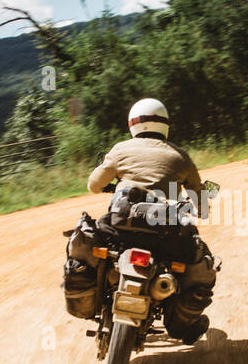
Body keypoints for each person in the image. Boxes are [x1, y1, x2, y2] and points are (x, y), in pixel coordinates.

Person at [82, 98, 217, 344]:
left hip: (121, 226)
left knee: (90, 239)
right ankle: (182, 322)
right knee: (199, 264)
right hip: (164, 233)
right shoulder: (181, 157)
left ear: (132, 124)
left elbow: (93, 185)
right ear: (166, 124)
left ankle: (97, 298)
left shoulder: (120, 150)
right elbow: (202, 204)